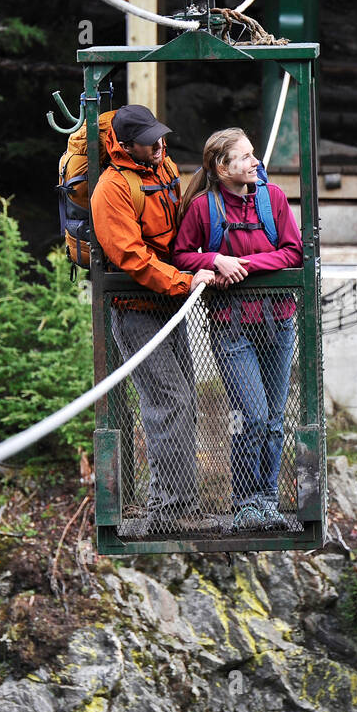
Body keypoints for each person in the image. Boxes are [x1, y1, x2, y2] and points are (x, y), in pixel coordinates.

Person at [90, 104, 219, 534]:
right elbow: (131, 257)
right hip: (137, 310)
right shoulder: (111, 189)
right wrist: (184, 280)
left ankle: (183, 499)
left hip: (170, 301)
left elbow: (178, 225)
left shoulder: (163, 168)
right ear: (127, 146)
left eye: (162, 137)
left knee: (185, 399)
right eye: (150, 142)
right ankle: (167, 506)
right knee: (168, 400)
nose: (161, 145)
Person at [173, 128, 303, 532]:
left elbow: (294, 250)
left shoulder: (273, 199)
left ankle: (268, 499)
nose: (255, 162)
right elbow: (180, 254)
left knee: (276, 419)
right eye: (245, 157)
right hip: (232, 328)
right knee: (251, 414)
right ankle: (244, 501)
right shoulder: (203, 209)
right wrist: (213, 259)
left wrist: (241, 266)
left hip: (278, 320)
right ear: (221, 167)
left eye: (254, 154)